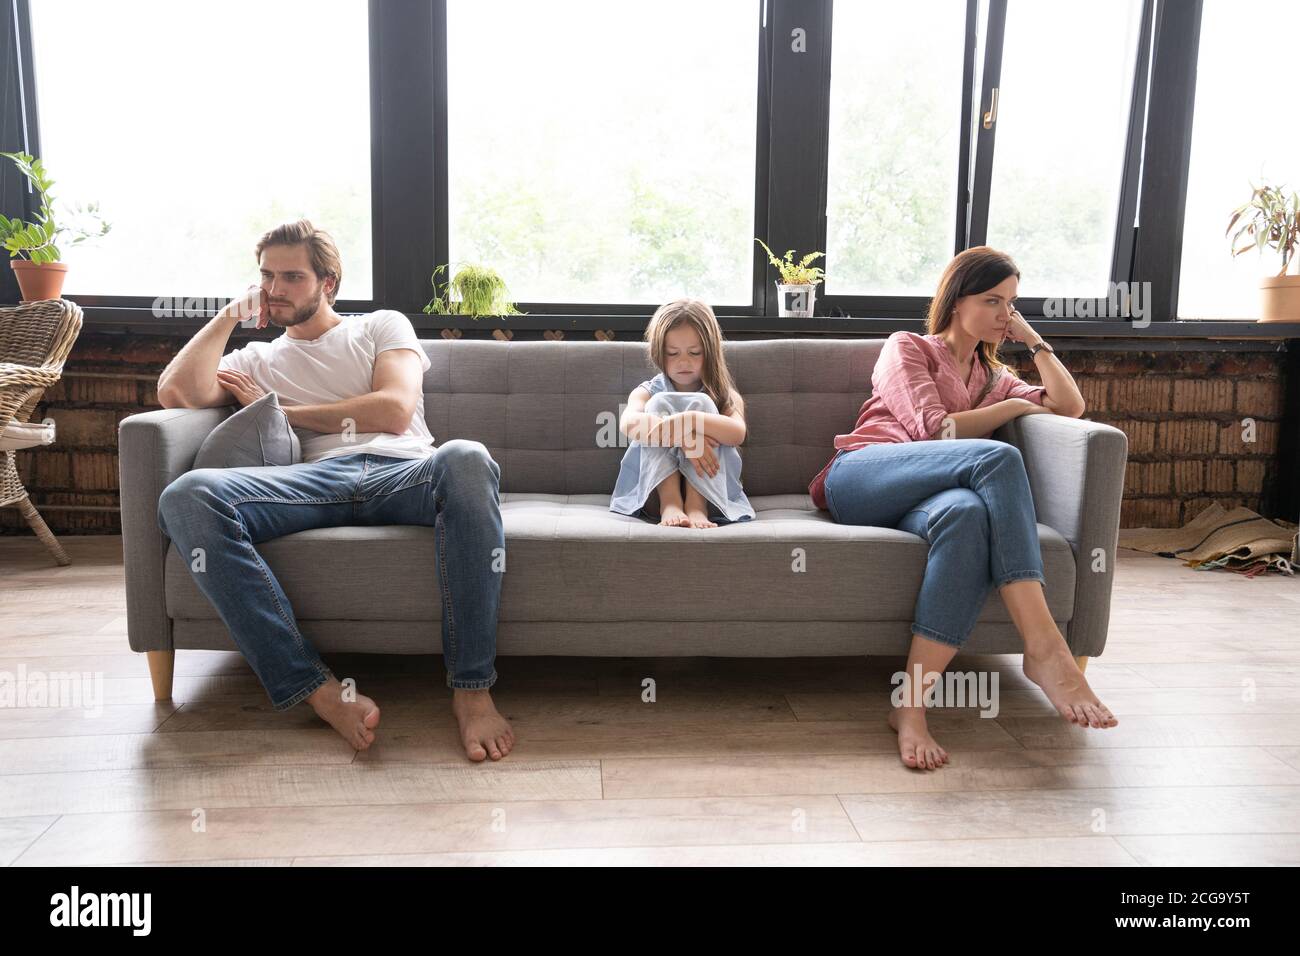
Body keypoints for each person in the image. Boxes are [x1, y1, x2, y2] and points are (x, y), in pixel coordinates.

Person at [155, 219, 514, 762]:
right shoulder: (257, 359)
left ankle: (472, 690)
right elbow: (175, 392)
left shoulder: (379, 326)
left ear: (329, 283)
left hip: (406, 472)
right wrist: (231, 314)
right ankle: (316, 690)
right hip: (312, 483)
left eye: (292, 276)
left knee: (466, 456)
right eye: (267, 276)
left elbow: (393, 409)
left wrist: (278, 411)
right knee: (187, 495)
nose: (275, 289)